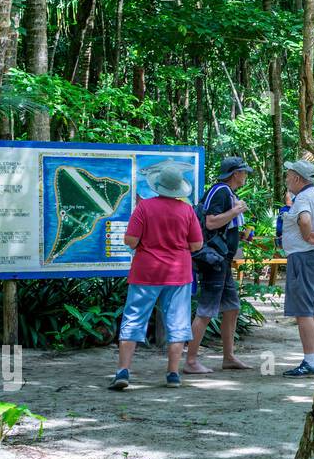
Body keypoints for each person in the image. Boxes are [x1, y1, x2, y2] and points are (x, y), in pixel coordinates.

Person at [109, 163, 203, 390]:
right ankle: (172, 374)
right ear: (179, 189)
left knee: (134, 318)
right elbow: (197, 244)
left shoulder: (144, 208)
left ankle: (123, 370)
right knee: (177, 323)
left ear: (158, 185)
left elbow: (130, 240)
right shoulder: (187, 211)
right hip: (178, 273)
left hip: (145, 272)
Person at [184, 156, 254, 374]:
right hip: (213, 260)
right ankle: (191, 361)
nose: (246, 176)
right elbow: (211, 222)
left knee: (232, 308)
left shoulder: (227, 193)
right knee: (206, 310)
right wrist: (235, 211)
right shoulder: (221, 191)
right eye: (244, 172)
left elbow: (220, 226)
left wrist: (240, 235)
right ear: (235, 174)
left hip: (223, 259)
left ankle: (229, 357)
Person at [280, 160, 314, 376]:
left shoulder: (303, 198)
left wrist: (306, 234)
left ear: (296, 178)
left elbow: (304, 219)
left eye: (288, 175)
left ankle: (309, 361)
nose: (286, 180)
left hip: (305, 257)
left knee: (303, 311)